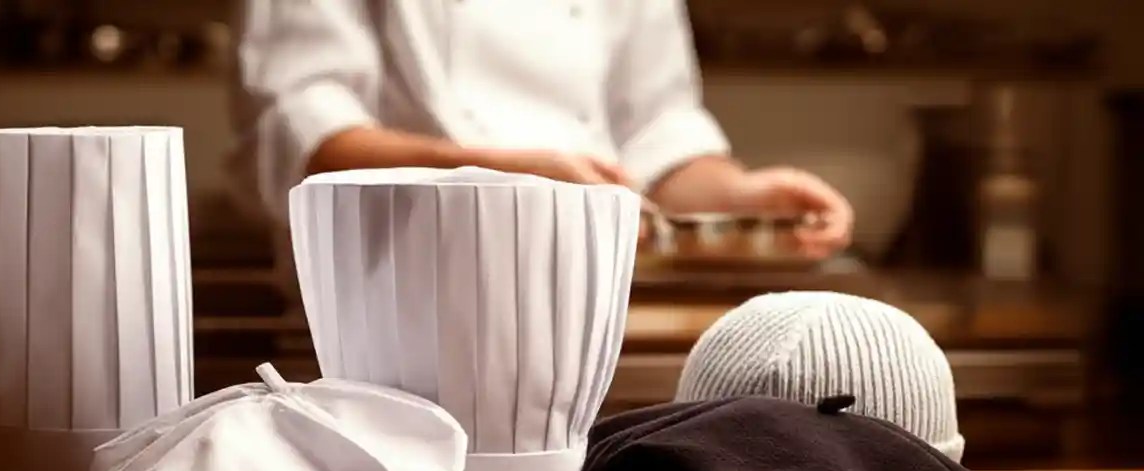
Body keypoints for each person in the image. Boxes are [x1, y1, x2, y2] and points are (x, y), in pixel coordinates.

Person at [229, 0, 854, 262]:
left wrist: (744, 199)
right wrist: (495, 181)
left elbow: (656, 137)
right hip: (391, 309)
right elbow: (302, 132)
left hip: (594, 309)